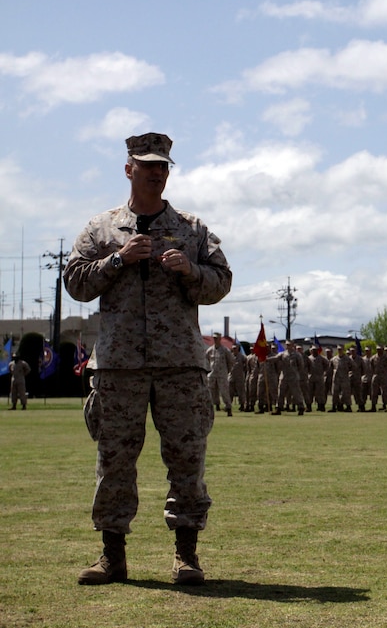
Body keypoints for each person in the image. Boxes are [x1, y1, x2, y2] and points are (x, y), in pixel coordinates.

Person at [64, 132, 231, 586]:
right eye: (148, 165)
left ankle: (186, 556)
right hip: (119, 367)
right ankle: (111, 557)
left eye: (163, 166)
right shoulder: (102, 229)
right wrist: (117, 260)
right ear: (128, 169)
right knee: (114, 459)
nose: (157, 173)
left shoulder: (192, 229)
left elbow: (221, 282)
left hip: (179, 364)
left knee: (186, 458)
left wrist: (190, 270)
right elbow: (76, 284)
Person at [206, 333, 232, 416]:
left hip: (222, 374)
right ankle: (212, 407)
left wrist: (227, 370)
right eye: (214, 338)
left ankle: (228, 408)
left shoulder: (225, 350)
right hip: (212, 374)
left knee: (224, 392)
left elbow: (231, 361)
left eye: (216, 338)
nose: (215, 340)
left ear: (220, 339)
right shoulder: (210, 350)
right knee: (211, 392)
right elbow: (206, 360)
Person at [228, 344, 246, 412]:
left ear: (238, 349)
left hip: (239, 377)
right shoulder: (230, 356)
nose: (234, 350)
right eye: (233, 348)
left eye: (235, 348)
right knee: (230, 392)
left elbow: (246, 365)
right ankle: (229, 406)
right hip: (231, 376)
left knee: (241, 392)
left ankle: (242, 406)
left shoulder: (242, 357)